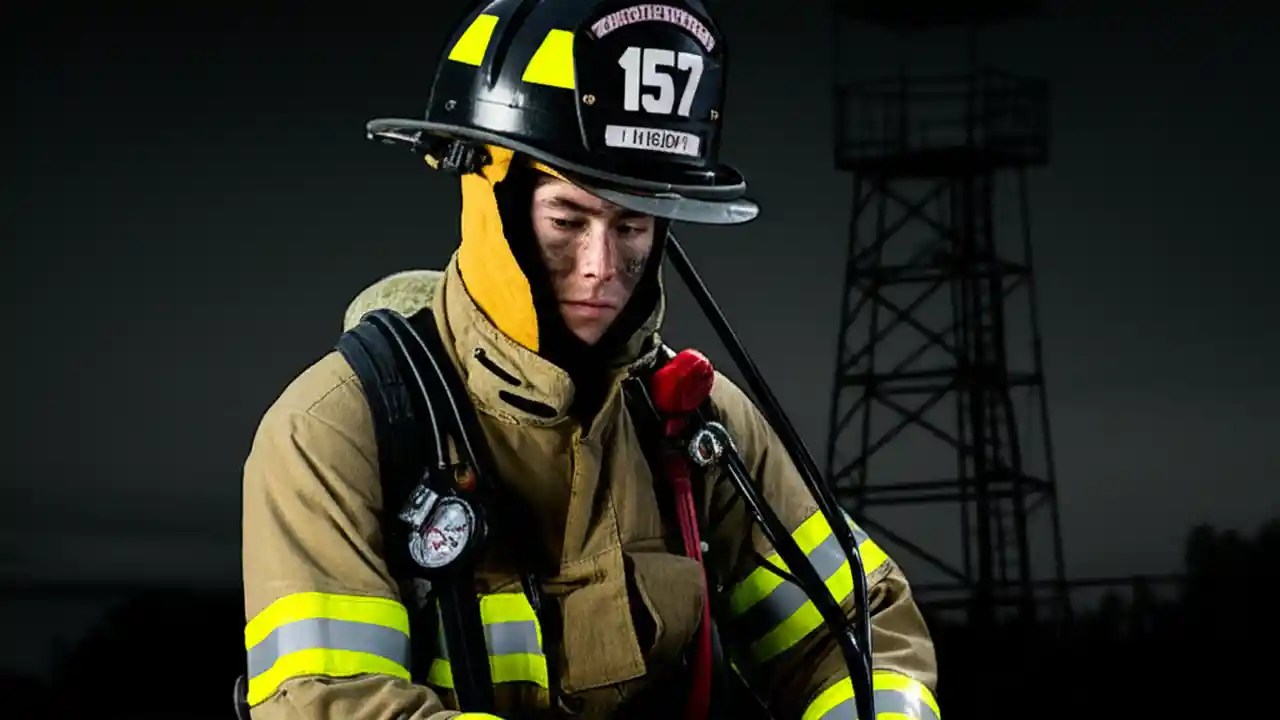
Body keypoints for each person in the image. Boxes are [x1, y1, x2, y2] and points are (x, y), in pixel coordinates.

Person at [239, 1, 940, 719]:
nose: (601, 266)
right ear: (491, 205)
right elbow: (332, 703)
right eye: (566, 220)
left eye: (631, 225)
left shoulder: (696, 423)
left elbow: (860, 636)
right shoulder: (335, 430)